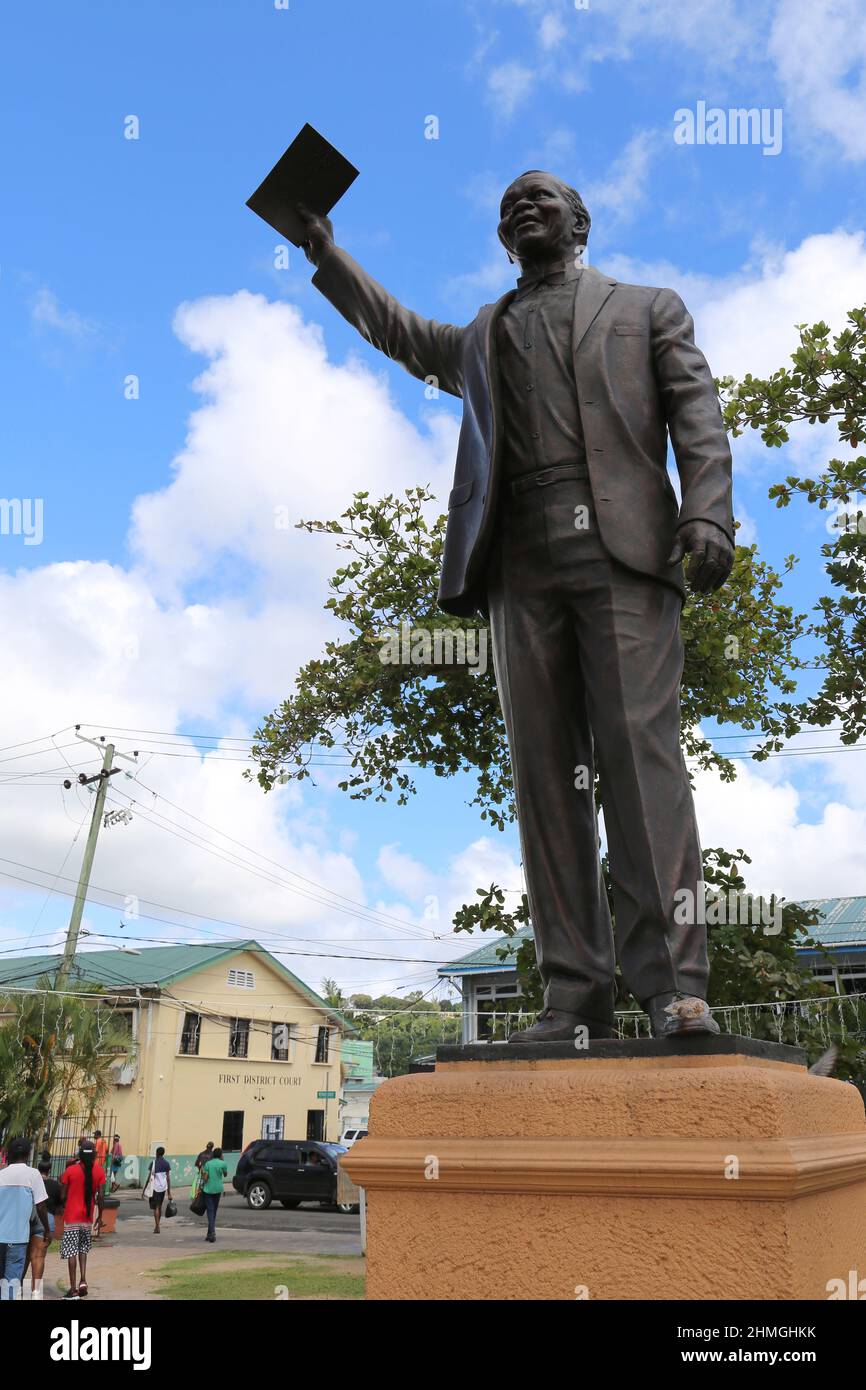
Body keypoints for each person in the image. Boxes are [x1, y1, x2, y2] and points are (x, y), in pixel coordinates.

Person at [297, 175, 734, 1042]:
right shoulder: (484, 335)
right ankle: (574, 994)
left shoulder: (649, 308)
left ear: (580, 222)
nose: (523, 207)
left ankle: (675, 988)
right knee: (545, 777)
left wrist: (707, 511)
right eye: (509, 206)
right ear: (504, 240)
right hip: (519, 563)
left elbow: (697, 410)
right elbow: (398, 332)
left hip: (626, 554)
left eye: (542, 198)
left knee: (641, 764)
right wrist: (325, 253)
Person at [0, 1137, 51, 1299]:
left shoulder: (1, 1175)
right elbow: (41, 1206)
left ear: (9, 1154)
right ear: (28, 1154)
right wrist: (47, 1229)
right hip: (18, 1239)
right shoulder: (33, 1175)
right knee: (11, 1281)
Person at [59, 1141, 105, 1299]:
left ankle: (73, 1290)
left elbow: (63, 1195)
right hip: (87, 1217)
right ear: (94, 1154)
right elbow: (101, 1196)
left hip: (72, 1217)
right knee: (83, 1250)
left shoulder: (70, 1170)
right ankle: (83, 1280)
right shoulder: (99, 1171)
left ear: (79, 1153)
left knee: (71, 1251)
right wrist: (100, 1216)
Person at [24, 1161, 62, 1298]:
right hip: (47, 1219)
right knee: (38, 1257)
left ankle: (18, 1288)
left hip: (29, 1217)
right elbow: (60, 1205)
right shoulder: (56, 1185)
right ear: (50, 1169)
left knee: (24, 1257)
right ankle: (35, 1292)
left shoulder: (31, 1180)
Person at [200, 1146, 228, 1243]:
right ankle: (210, 1233)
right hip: (218, 1189)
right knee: (214, 1211)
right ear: (220, 1155)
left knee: (210, 1211)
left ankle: (212, 1233)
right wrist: (222, 1162)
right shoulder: (223, 1163)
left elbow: (206, 1178)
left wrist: (203, 1173)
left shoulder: (208, 1164)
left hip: (208, 1190)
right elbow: (225, 1174)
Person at [146, 1147, 172, 1234]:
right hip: (163, 1188)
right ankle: (157, 1225)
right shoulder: (166, 1164)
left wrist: (145, 1188)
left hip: (155, 1188)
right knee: (159, 1206)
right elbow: (168, 1178)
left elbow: (149, 1177)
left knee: (156, 1207)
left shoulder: (153, 1163)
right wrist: (169, 1193)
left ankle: (157, 1226)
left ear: (157, 1153)